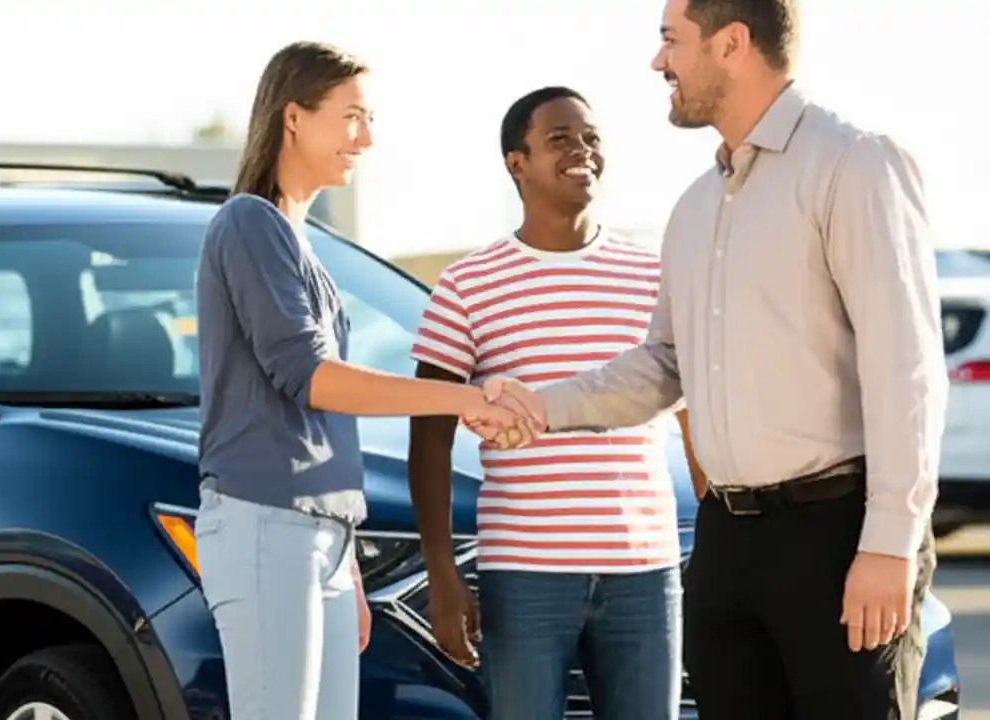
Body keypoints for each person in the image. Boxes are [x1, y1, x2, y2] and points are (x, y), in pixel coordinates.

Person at [476, 1, 948, 718]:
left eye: (672, 41)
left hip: (839, 535)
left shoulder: (852, 164)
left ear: (731, 43)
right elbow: (664, 366)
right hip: (726, 546)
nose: (658, 61)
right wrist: (541, 406)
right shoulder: (695, 208)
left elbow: (905, 365)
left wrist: (891, 542)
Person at [192, 41, 544, 720]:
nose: (368, 137)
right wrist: (467, 397)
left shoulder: (299, 241)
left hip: (317, 539)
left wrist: (343, 556)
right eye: (353, 116)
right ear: (294, 117)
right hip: (266, 530)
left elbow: (318, 423)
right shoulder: (248, 223)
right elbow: (313, 381)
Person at [408, 86, 697, 720]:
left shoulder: (653, 274)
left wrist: (718, 551)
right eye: (561, 138)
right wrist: (443, 576)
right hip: (526, 573)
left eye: (592, 137)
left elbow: (690, 412)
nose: (583, 150)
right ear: (518, 162)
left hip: (646, 571)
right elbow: (428, 434)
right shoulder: (469, 283)